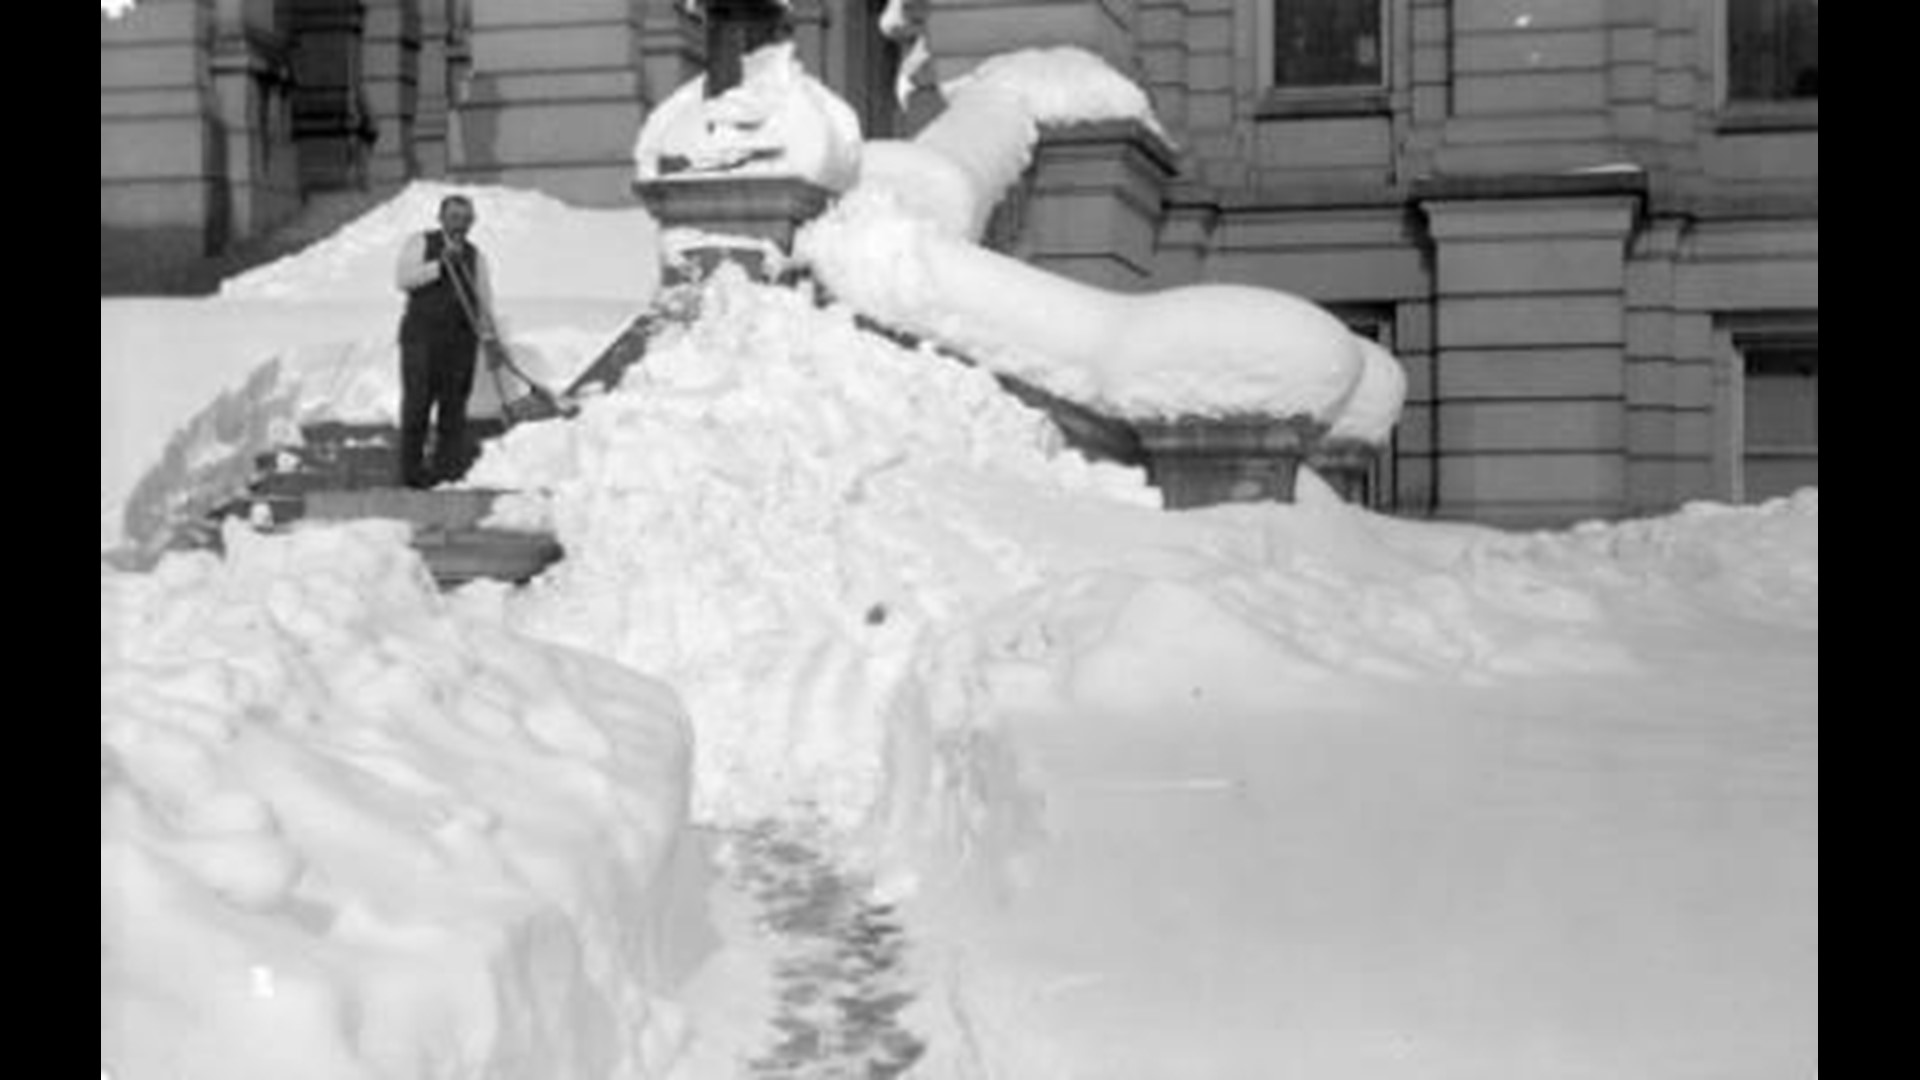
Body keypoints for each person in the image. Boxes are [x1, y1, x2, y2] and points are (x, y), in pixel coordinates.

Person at [393, 194, 495, 488]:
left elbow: (483, 300)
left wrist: (488, 337)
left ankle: (446, 473)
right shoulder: (421, 243)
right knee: (417, 405)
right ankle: (412, 474)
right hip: (421, 340)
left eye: (465, 218)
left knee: (453, 408)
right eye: (453, 217)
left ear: (472, 223)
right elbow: (403, 279)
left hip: (461, 343)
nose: (459, 224)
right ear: (441, 218)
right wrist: (438, 265)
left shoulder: (477, 257)